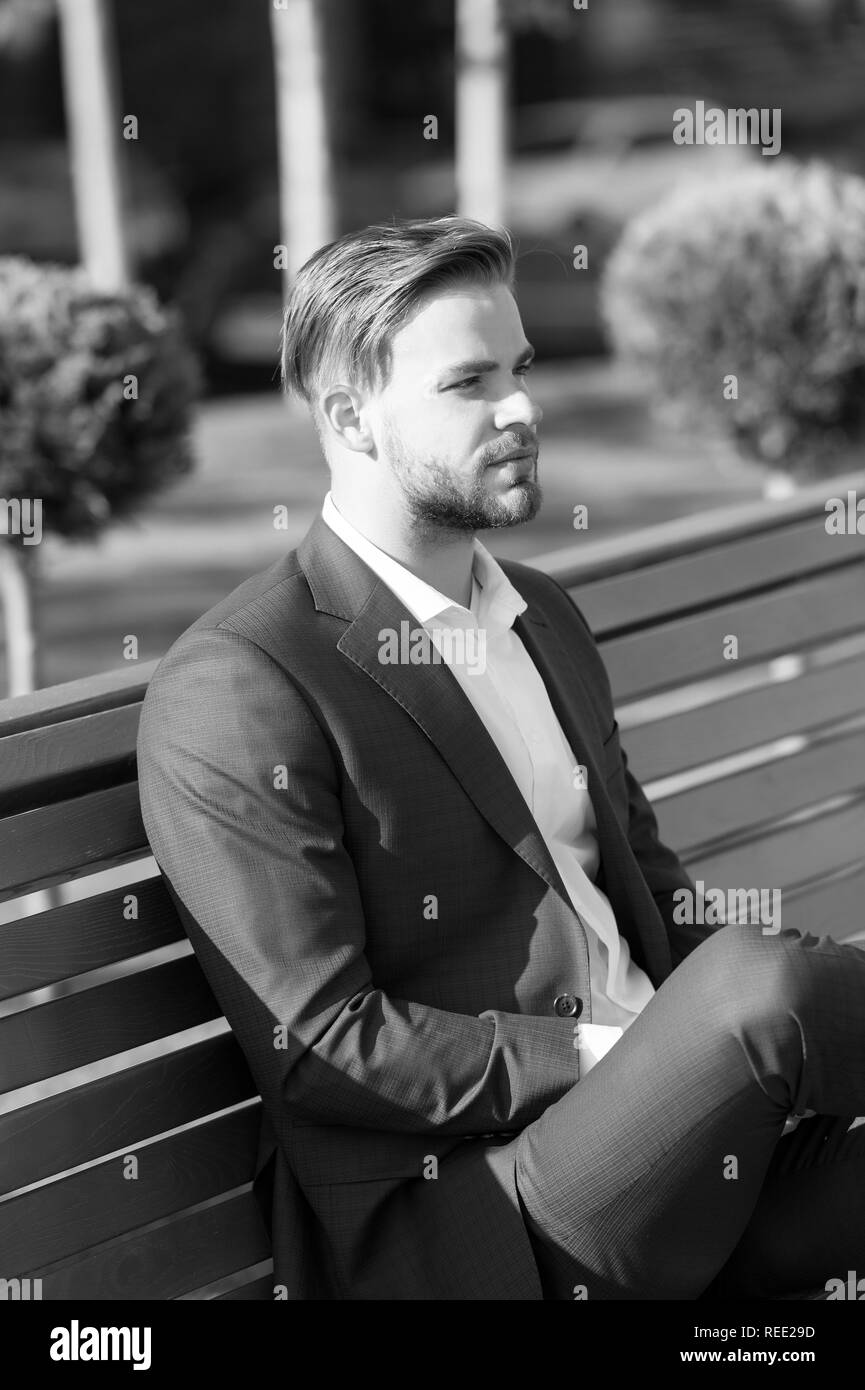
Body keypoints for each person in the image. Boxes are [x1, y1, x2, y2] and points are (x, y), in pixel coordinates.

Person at [137, 216, 865, 1301]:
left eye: (518, 369)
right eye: (468, 382)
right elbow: (322, 1044)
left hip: (681, 1156)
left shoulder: (542, 617)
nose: (522, 408)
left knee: (756, 981)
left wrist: (695, 1049)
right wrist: (616, 1052)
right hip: (484, 1222)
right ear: (352, 417)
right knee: (766, 984)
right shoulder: (246, 682)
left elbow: (654, 900)